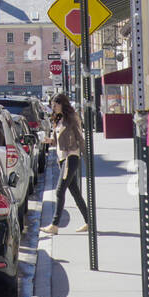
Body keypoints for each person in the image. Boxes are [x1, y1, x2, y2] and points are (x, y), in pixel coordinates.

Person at [42, 92, 90, 235]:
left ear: (62, 104)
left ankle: (54, 225)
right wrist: (49, 140)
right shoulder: (58, 119)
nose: (53, 107)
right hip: (62, 158)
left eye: (55, 104)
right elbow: (57, 140)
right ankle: (89, 222)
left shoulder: (72, 118)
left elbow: (80, 138)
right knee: (75, 192)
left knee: (59, 190)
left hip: (71, 157)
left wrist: (86, 157)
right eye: (52, 105)